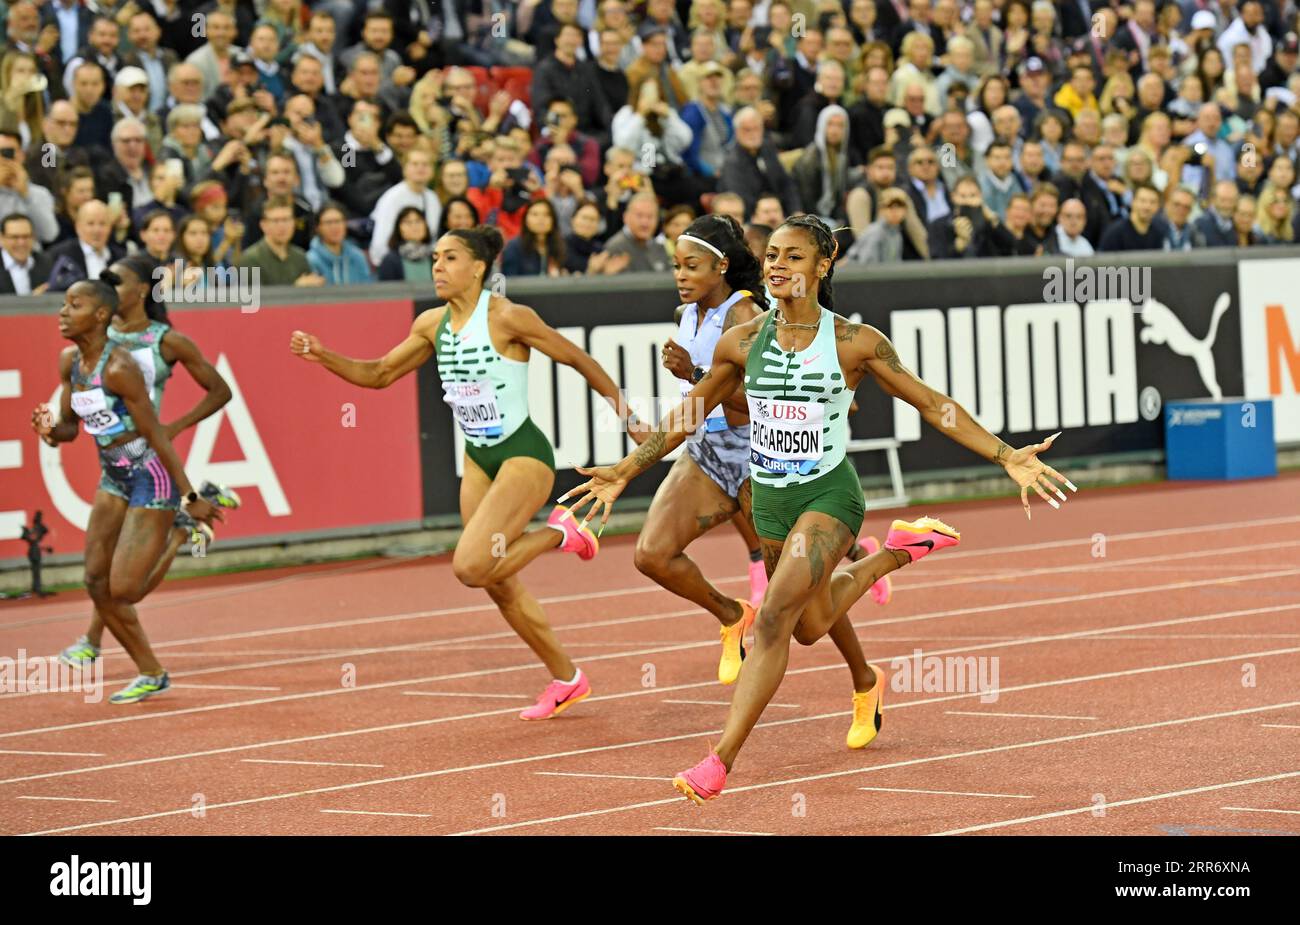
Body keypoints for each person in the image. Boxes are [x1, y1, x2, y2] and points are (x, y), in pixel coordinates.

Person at [560, 212, 1076, 803]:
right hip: (772, 503)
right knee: (809, 625)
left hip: (829, 496)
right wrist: (626, 470)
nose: (777, 265)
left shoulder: (856, 342)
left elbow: (935, 405)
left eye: (793, 256)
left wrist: (1007, 455)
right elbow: (691, 412)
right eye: (772, 254)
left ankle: (718, 760)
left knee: (776, 618)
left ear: (823, 264)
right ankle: (894, 554)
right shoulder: (744, 341)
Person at [290, 225, 650, 720]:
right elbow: (378, 375)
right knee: (495, 581)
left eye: (450, 258)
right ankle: (568, 679)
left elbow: (579, 359)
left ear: (478, 268)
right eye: (434, 258)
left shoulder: (507, 317)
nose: (437, 266)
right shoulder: (430, 325)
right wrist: (321, 355)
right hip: (477, 460)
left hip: (523, 455)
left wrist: (631, 423)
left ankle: (563, 533)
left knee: (469, 566)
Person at [31, 276, 222, 704]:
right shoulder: (70, 362)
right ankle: (151, 672)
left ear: (100, 315)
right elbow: (68, 428)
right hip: (112, 477)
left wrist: (189, 495)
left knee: (125, 590)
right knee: (95, 581)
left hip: (151, 476)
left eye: (73, 305)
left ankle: (179, 528)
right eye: (63, 304)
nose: (63, 312)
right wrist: (49, 431)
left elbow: (155, 433)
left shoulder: (119, 368)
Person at [636, 215, 768, 682]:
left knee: (808, 610)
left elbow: (759, 402)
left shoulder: (746, 316)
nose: (680, 275)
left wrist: (693, 374)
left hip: (758, 452)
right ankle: (732, 614)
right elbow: (699, 399)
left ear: (722, 267)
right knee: (652, 555)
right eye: (676, 266)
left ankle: (863, 678)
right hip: (706, 451)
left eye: (691, 266)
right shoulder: (685, 314)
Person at [307, 201, 375, 285]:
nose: (334, 227)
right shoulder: (310, 260)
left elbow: (368, 289)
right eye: (328, 222)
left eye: (338, 221)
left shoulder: (358, 256)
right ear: (318, 228)